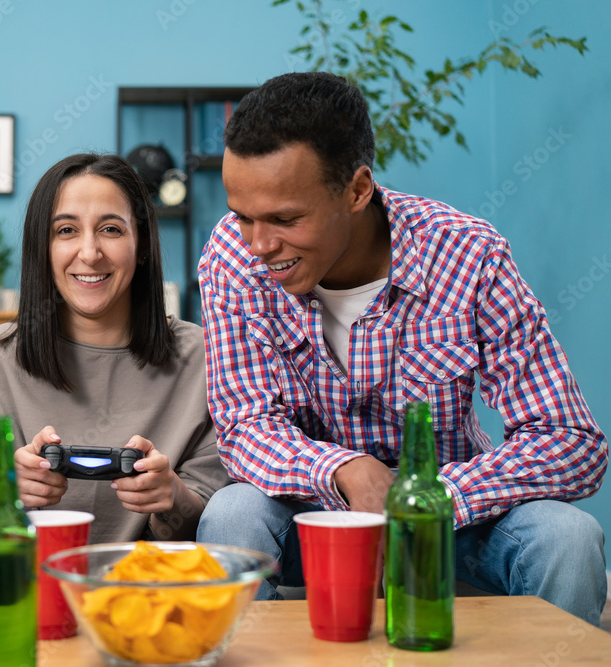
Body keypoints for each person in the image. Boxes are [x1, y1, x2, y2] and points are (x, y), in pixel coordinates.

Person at [196, 72, 608, 625]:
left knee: (569, 537)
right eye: (243, 216)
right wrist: (344, 469)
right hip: (311, 518)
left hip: (452, 523)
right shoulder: (229, 258)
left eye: (285, 219)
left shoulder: (468, 255)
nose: (260, 245)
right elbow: (244, 428)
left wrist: (424, 499)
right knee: (231, 515)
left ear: (358, 190)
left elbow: (570, 441)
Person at [0, 153, 230, 543]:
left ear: (141, 246)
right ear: (43, 247)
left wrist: (173, 496)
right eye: (66, 231)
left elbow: (220, 524)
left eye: (111, 229)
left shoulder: (206, 359)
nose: (89, 253)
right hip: (28, 588)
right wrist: (5, 493)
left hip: (153, 589)